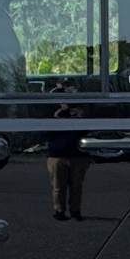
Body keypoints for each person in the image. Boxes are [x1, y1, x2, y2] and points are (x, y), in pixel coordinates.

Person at [45, 82, 91, 221]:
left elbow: (85, 130)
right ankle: (59, 210)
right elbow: (46, 134)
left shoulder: (81, 114)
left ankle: (75, 211)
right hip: (57, 156)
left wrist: (74, 115)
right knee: (58, 186)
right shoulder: (54, 114)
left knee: (76, 186)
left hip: (77, 155)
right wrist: (57, 118)